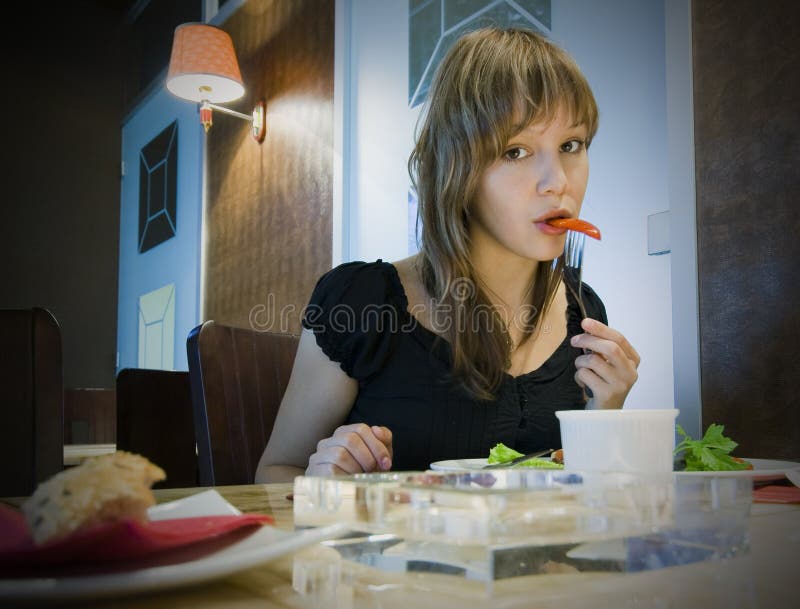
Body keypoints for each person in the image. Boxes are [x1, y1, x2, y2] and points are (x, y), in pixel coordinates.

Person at [255, 26, 640, 483]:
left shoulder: (584, 313)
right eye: (515, 150)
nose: (557, 181)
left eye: (570, 145)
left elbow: (584, 496)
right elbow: (274, 473)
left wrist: (606, 412)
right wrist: (324, 481)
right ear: (456, 168)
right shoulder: (360, 301)